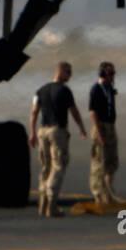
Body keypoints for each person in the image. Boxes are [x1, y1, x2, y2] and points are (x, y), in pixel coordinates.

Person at [29, 61, 87, 217]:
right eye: (68, 72)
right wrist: (81, 127)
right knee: (58, 166)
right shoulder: (65, 90)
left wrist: (33, 133)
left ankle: (42, 205)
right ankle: (52, 205)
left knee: (45, 166)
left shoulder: (41, 90)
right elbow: (74, 111)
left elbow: (34, 112)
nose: (70, 75)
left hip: (43, 131)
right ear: (60, 72)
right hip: (57, 131)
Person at [88, 62, 120, 206]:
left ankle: (108, 193)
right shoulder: (96, 89)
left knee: (112, 162)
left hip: (110, 127)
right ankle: (98, 195)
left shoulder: (109, 89)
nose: (113, 76)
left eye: (113, 73)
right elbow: (92, 112)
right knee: (99, 163)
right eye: (110, 73)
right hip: (100, 127)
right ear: (102, 74)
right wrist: (100, 133)